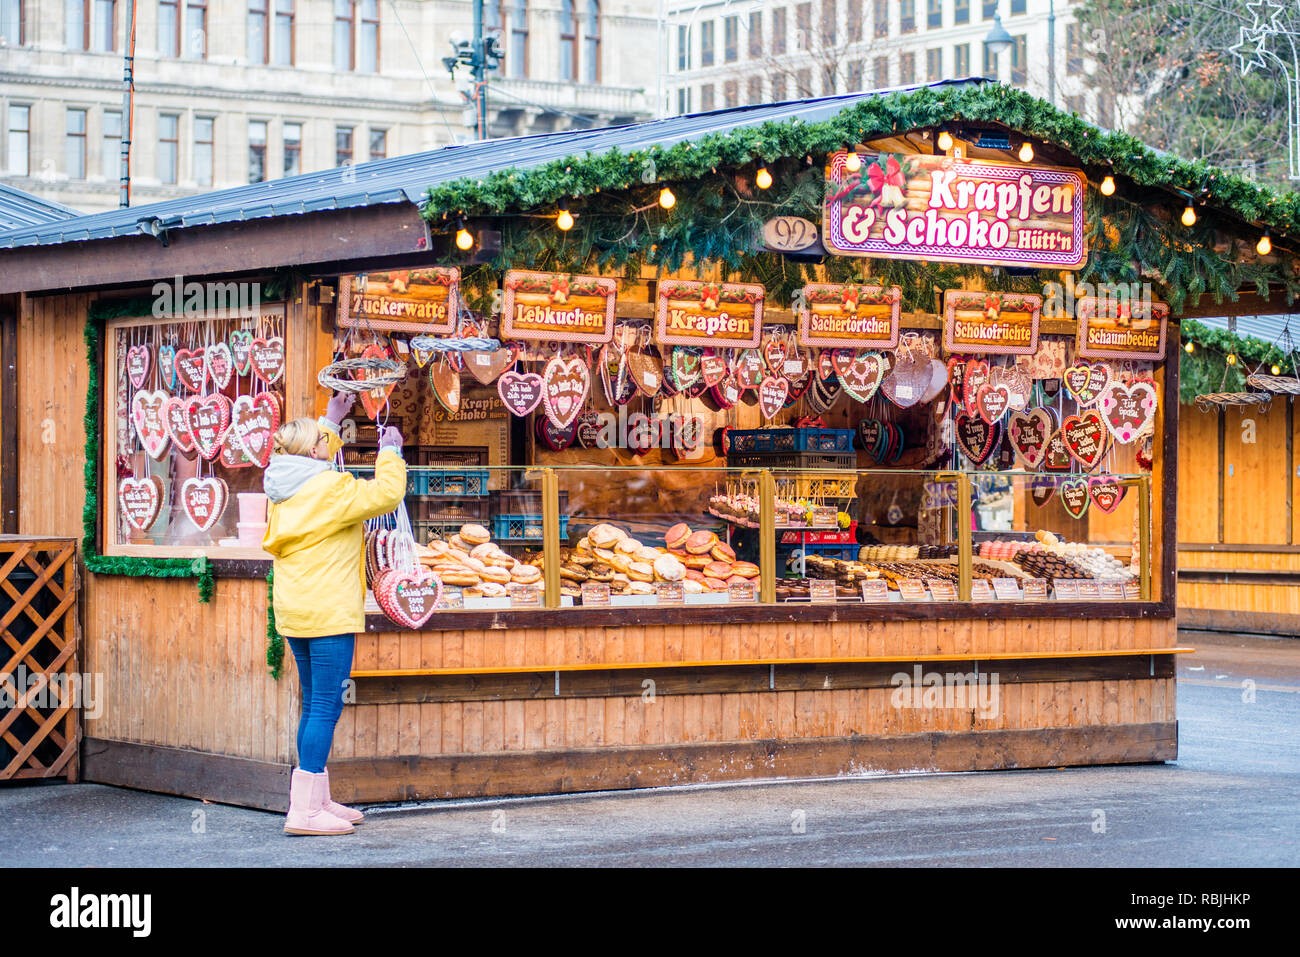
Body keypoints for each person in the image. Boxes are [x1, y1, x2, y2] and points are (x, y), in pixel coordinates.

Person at [261, 392, 406, 836]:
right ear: (311, 451)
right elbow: (386, 494)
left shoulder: (283, 487)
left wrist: (329, 418)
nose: (332, 443)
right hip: (328, 613)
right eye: (324, 440)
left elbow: (315, 455)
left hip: (297, 610)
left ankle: (315, 798)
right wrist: (390, 452)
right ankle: (303, 814)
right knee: (325, 706)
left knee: (314, 703)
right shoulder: (331, 488)